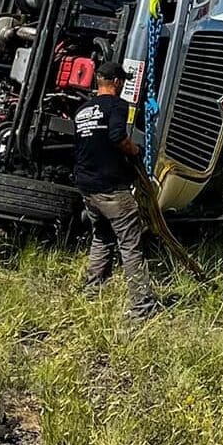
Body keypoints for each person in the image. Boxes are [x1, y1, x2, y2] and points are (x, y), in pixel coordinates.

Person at [73, 60, 157, 320]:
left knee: (102, 237)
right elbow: (116, 136)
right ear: (117, 82)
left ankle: (91, 291)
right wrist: (136, 152)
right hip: (111, 190)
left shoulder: (82, 111)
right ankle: (141, 308)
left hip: (88, 188)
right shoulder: (118, 105)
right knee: (131, 245)